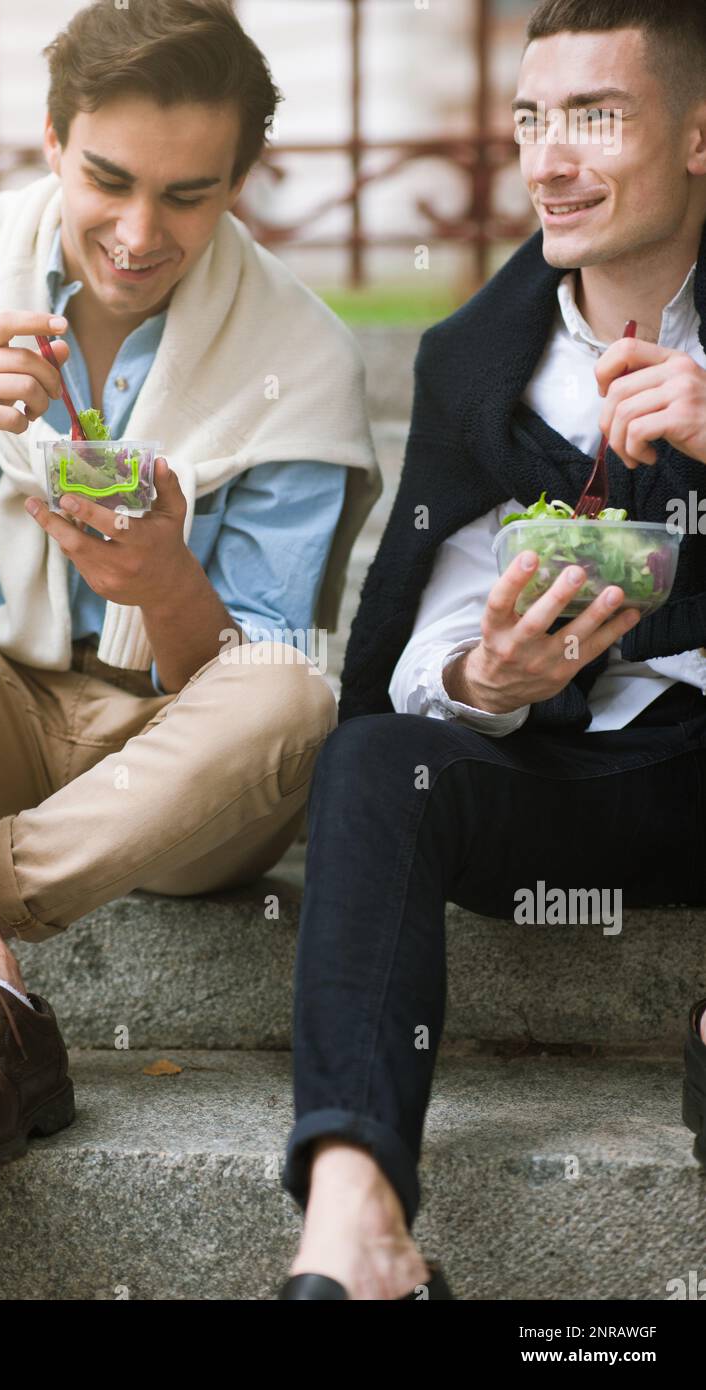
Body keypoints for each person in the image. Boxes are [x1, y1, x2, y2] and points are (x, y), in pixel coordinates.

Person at [0, 0, 381, 1181]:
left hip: (175, 773)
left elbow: (251, 684)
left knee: (292, 692)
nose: (139, 232)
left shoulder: (303, 360)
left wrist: (164, 580)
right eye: (109, 179)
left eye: (189, 194)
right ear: (49, 139)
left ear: (241, 182)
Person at [278, 0, 706, 1301]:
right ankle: (357, 1235)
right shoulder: (479, 360)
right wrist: (489, 682)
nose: (546, 161)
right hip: (599, 777)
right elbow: (435, 630)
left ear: (697, 136)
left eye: (595, 115)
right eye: (530, 118)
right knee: (372, 765)